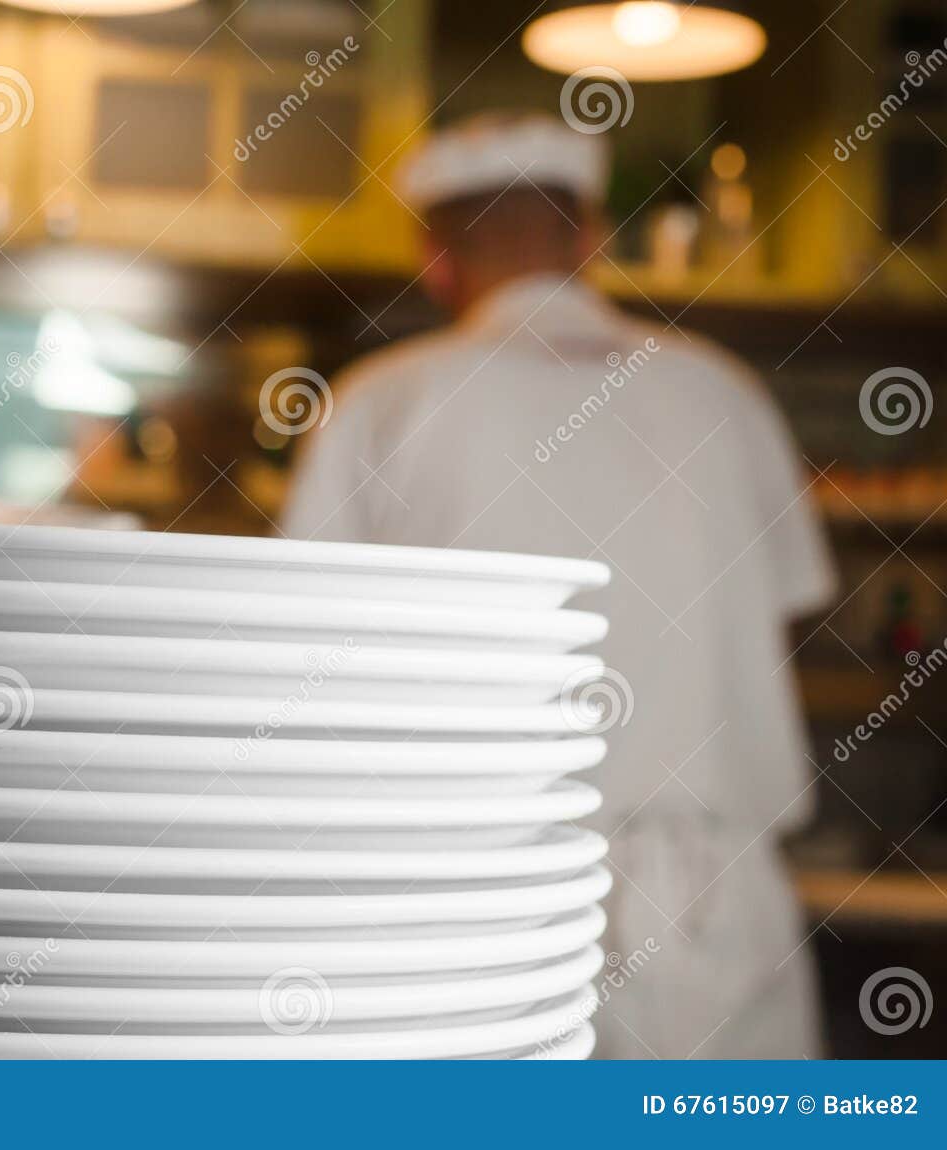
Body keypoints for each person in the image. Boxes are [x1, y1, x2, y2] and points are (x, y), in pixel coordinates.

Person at [283, 113, 836, 1059]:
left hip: (459, 905)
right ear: (590, 239)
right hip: (707, 904)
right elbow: (790, 610)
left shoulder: (380, 402)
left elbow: (300, 666)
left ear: (434, 257)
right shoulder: (727, 393)